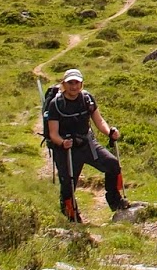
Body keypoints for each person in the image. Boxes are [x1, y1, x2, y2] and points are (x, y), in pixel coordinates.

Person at [43, 68, 128, 222]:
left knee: (112, 164)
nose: (73, 86)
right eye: (70, 83)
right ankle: (71, 215)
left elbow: (99, 120)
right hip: (66, 150)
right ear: (64, 84)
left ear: (81, 84)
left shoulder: (87, 99)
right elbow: (53, 133)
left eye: (76, 83)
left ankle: (115, 200)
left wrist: (109, 132)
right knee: (68, 183)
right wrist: (62, 142)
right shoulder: (56, 104)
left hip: (87, 144)